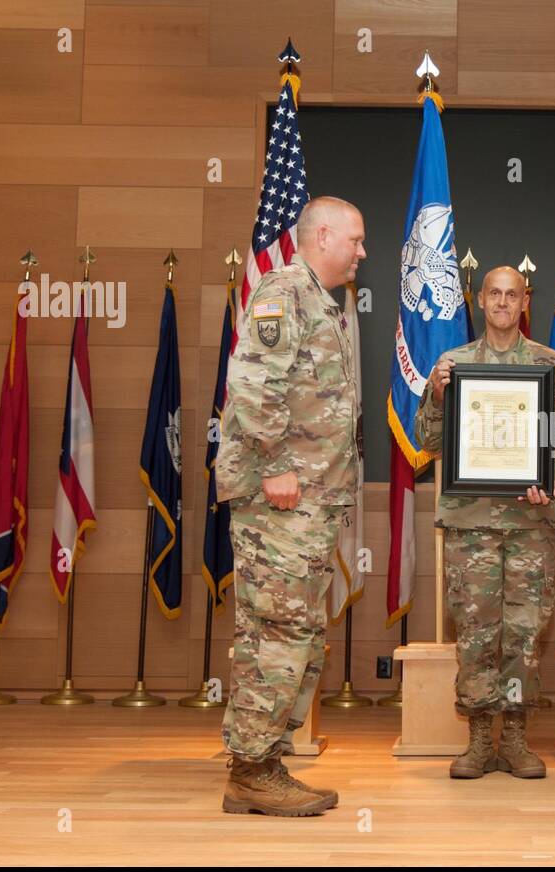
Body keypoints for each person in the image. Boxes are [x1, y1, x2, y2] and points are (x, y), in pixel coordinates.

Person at [214, 196, 366, 816]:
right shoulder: (284, 293)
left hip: (307, 502)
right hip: (279, 498)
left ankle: (264, 760)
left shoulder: (320, 301)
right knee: (278, 631)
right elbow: (254, 384)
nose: (361, 252)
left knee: (293, 631)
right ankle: (252, 769)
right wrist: (276, 464)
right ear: (322, 236)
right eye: (355, 240)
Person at [415, 266, 555, 779]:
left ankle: (514, 738)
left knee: (524, 634)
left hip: (531, 522)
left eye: (513, 294)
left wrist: (551, 479)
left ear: (525, 301)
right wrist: (438, 397)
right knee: (475, 631)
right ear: (480, 299)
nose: (504, 302)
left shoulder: (550, 365)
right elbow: (427, 440)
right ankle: (478, 739)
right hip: (471, 524)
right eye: (495, 294)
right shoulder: (454, 366)